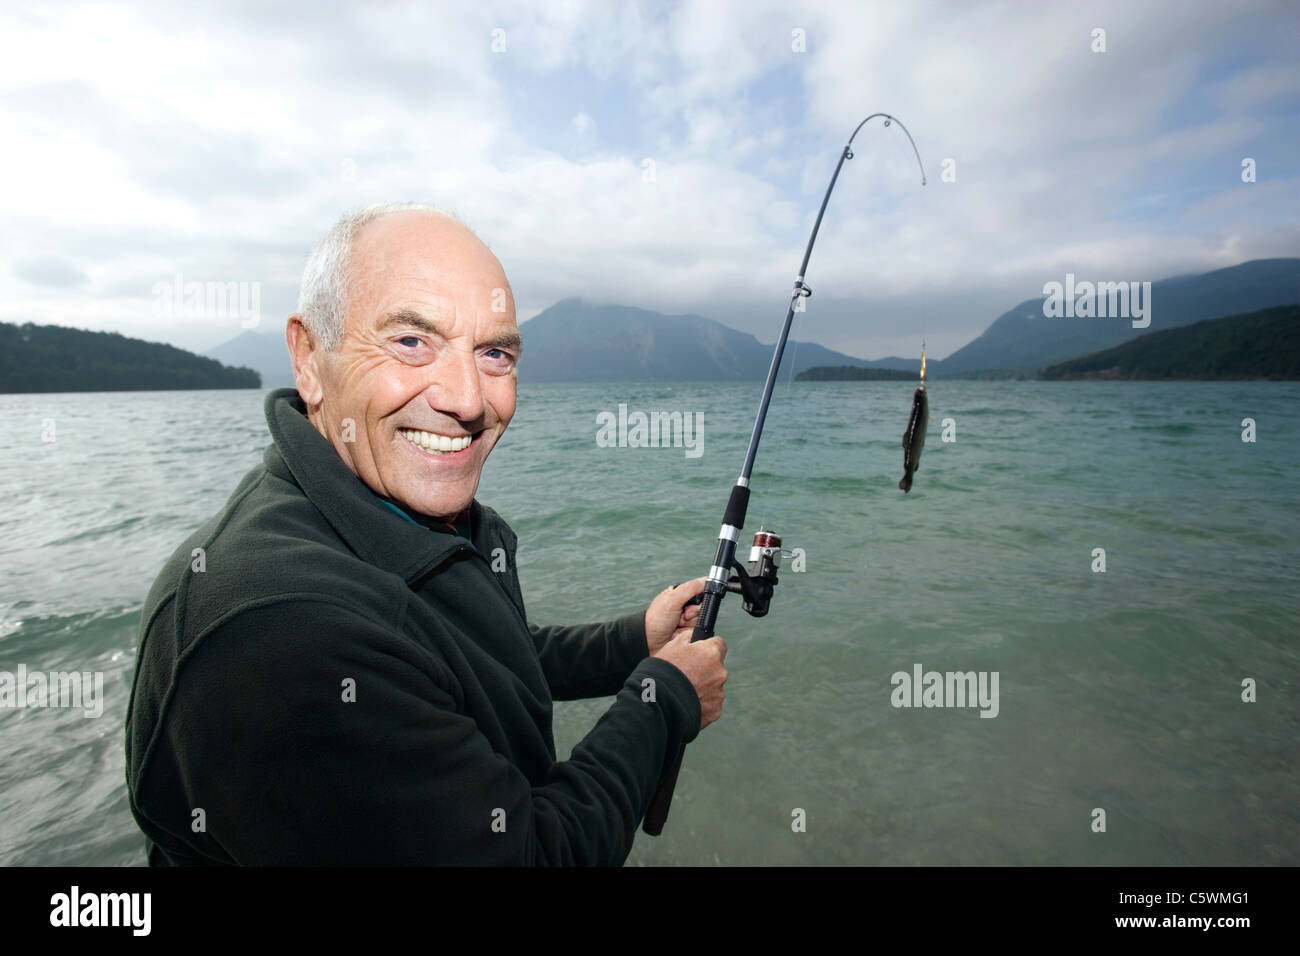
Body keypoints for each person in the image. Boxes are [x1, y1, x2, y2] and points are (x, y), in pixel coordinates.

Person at [125, 202, 729, 865]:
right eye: (412, 341)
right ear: (308, 358)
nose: (469, 399)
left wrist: (631, 641)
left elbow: (469, 660)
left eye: (494, 352)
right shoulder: (280, 631)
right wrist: (662, 698)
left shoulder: (379, 514)